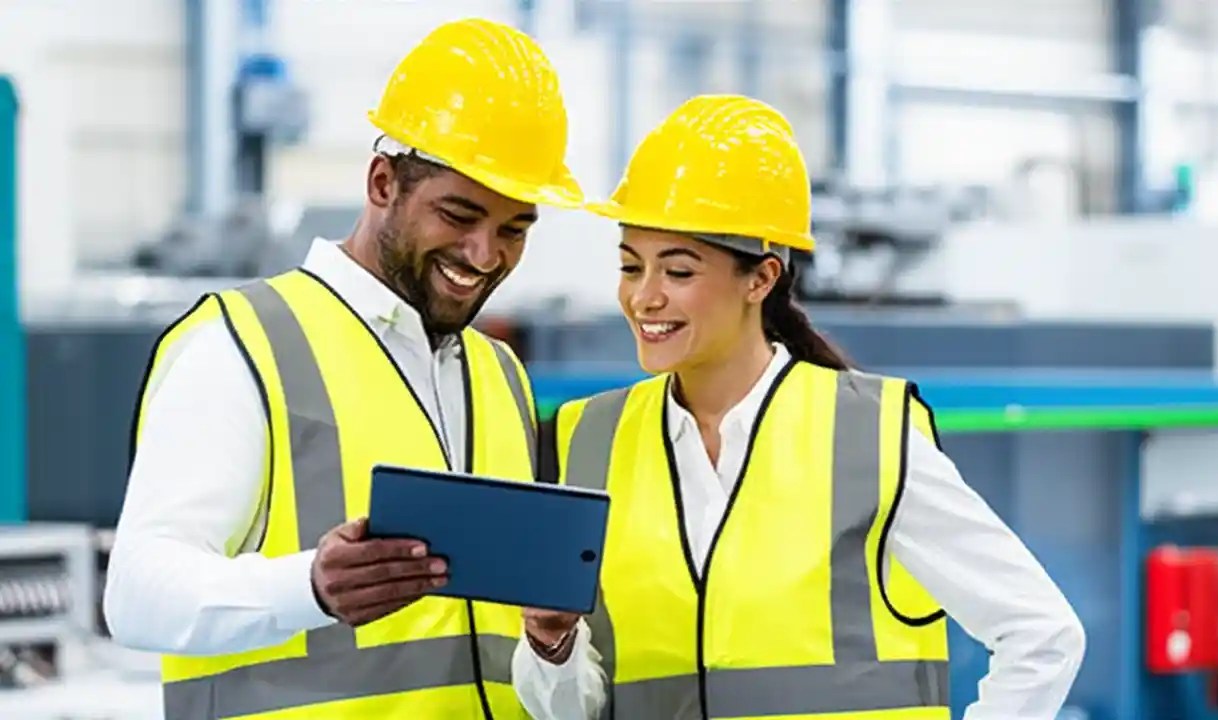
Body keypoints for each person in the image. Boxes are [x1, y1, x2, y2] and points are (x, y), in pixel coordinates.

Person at [511, 95, 1087, 719]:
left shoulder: (864, 437)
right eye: (630, 266)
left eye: (678, 272)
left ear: (760, 279)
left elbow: (1043, 635)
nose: (644, 298)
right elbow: (574, 712)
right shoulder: (590, 440)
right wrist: (551, 644)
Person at [103, 17, 582, 719]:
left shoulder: (499, 374)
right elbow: (137, 593)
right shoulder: (241, 346)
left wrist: (551, 649)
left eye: (514, 229)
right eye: (458, 215)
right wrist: (310, 588)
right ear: (383, 182)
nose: (485, 255)